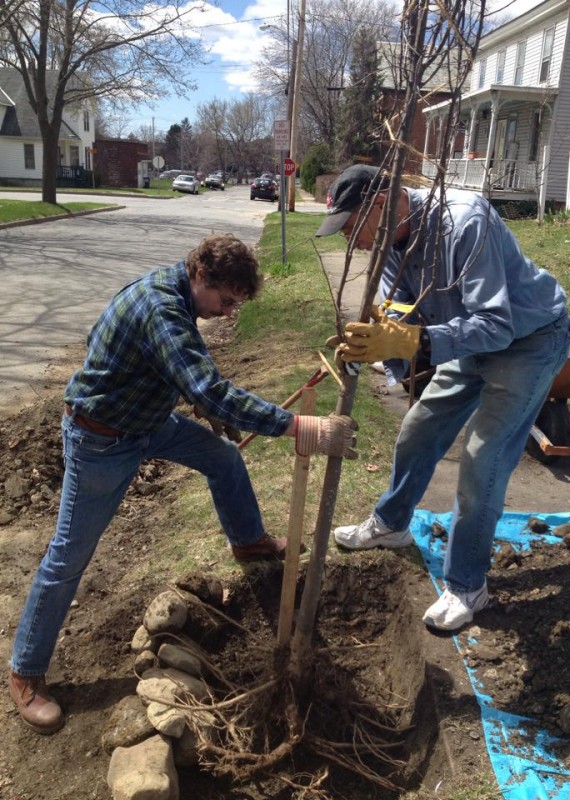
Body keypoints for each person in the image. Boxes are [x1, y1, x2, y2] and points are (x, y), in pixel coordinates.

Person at [8, 233, 357, 735]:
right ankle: (25, 672)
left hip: (146, 421)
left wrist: (174, 390)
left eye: (237, 303)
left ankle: (248, 542)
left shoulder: (171, 293)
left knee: (222, 458)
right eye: (226, 300)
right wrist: (299, 426)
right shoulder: (160, 308)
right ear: (200, 276)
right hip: (101, 439)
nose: (229, 311)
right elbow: (209, 390)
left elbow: (133, 352)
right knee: (68, 558)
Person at [316, 164, 570, 634]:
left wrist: (412, 342)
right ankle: (391, 524)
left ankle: (467, 585)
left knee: (482, 458)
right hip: (468, 339)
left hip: (528, 339)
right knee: (418, 430)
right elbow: (405, 309)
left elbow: (495, 323)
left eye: (353, 227)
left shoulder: (464, 222)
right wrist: (374, 341)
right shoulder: (395, 238)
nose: (352, 241)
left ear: (381, 204)